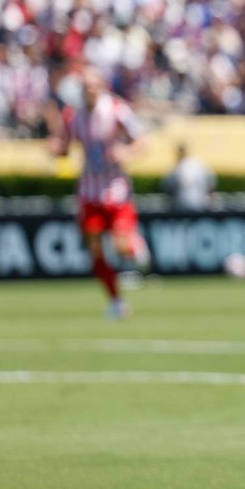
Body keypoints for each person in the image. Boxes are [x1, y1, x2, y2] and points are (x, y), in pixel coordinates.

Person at [47, 67, 150, 319]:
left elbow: (142, 141)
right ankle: (116, 301)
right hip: (89, 193)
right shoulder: (73, 115)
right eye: (85, 86)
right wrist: (55, 148)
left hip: (115, 190)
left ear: (102, 86)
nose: (88, 90)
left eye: (92, 86)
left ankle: (135, 248)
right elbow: (64, 145)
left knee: (121, 245)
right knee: (95, 252)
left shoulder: (116, 110)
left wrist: (125, 152)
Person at [164, 142, 217, 212]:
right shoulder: (199, 164)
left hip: (183, 208)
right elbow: (212, 186)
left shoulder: (177, 168)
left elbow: (167, 188)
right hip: (199, 207)